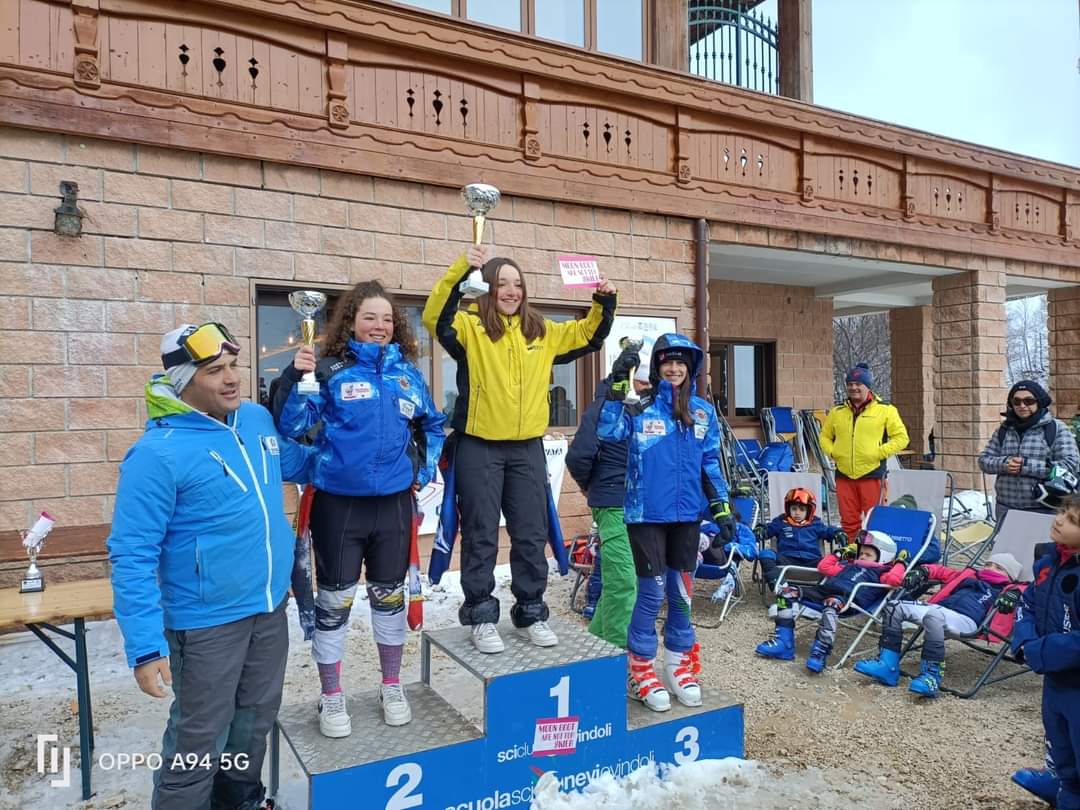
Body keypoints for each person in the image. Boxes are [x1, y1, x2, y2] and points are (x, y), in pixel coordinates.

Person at [108, 323, 312, 810]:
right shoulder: (157, 454)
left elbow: (299, 463)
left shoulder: (257, 420)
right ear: (184, 382)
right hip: (205, 624)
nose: (231, 379)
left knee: (255, 722)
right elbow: (132, 553)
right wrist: (144, 646)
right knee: (198, 740)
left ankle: (239, 801)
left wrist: (373, 450)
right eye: (215, 370)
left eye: (233, 367)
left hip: (267, 608)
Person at [423, 243, 617, 653]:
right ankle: (480, 615)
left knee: (531, 533)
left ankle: (531, 610)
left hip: (527, 447)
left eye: (517, 285)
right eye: (501, 284)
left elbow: (588, 335)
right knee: (480, 534)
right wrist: (462, 269)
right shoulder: (470, 328)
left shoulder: (540, 331)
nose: (511, 291)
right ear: (489, 289)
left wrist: (603, 300)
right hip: (479, 446)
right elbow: (433, 316)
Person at [272, 280, 445, 737]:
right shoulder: (330, 372)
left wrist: (421, 472)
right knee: (335, 605)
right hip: (338, 506)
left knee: (389, 602)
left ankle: (392, 685)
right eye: (371, 317)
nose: (380, 326)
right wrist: (295, 378)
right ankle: (331, 696)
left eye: (388, 319)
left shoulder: (407, 374)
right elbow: (291, 425)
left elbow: (433, 426)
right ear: (351, 320)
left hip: (392, 508)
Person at [597, 334, 734, 712]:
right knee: (652, 594)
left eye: (681, 363)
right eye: (666, 363)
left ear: (691, 368)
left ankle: (677, 666)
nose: (673, 369)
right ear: (656, 367)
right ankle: (640, 668)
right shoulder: (639, 407)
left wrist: (721, 507)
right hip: (645, 515)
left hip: (687, 517)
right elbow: (608, 433)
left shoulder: (703, 413)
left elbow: (710, 465)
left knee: (681, 594)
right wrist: (615, 387)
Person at [566, 350, 651, 646]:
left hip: (640, 508)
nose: (649, 390)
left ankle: (596, 647)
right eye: (645, 384)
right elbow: (578, 456)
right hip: (613, 503)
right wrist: (591, 487)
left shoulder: (648, 410)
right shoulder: (606, 405)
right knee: (625, 583)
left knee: (620, 583)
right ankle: (618, 659)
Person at [855, 552, 1024, 697]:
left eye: (999, 568)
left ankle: (931, 677)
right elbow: (940, 570)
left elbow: (1029, 592)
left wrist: (1015, 595)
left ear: (1010, 576)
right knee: (894, 606)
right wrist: (923, 570)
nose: (990, 569)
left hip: (967, 621)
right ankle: (887, 665)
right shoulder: (967, 576)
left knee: (933, 616)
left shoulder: (1010, 589)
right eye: (988, 564)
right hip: (939, 609)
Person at [755, 530, 908, 673]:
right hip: (824, 591)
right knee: (786, 592)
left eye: (868, 554)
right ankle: (784, 643)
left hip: (849, 601)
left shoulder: (882, 574)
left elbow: (895, 580)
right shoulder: (848, 566)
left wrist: (900, 562)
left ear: (884, 557)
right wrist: (840, 553)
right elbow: (823, 567)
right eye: (860, 553)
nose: (862, 556)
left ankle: (820, 650)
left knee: (831, 605)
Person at [1012, 495, 1080, 810]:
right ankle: (1065, 788)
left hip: (1075, 680)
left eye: (1072, 520)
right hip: (1054, 678)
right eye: (1063, 511)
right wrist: (1025, 643)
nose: (1059, 519)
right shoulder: (1048, 559)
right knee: (1059, 739)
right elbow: (1028, 603)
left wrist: (1042, 651)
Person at [819, 363, 910, 537]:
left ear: (868, 386)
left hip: (872, 474)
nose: (853, 388)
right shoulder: (837, 411)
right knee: (848, 521)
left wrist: (878, 453)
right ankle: (851, 555)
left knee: (875, 520)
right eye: (850, 384)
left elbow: (901, 438)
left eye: (858, 384)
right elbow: (824, 436)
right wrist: (833, 452)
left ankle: (873, 559)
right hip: (844, 475)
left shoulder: (886, 410)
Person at [978, 380, 1080, 523]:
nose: (1022, 405)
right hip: (1006, 508)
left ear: (1039, 402)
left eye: (1029, 401)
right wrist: (1004, 463)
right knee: (1007, 546)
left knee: (1041, 546)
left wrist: (1026, 466)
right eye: (1016, 401)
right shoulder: (1004, 429)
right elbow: (984, 460)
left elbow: (1071, 465)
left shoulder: (1056, 428)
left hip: (1045, 508)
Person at [756, 488, 846, 590]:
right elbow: (768, 529)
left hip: (812, 560)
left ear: (809, 511)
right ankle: (778, 583)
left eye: (802, 510)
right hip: (787, 558)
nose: (797, 513)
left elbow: (828, 531)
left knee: (840, 560)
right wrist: (761, 529)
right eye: (794, 509)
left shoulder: (816, 524)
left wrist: (837, 532)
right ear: (788, 509)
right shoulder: (781, 522)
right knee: (765, 554)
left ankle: (837, 589)